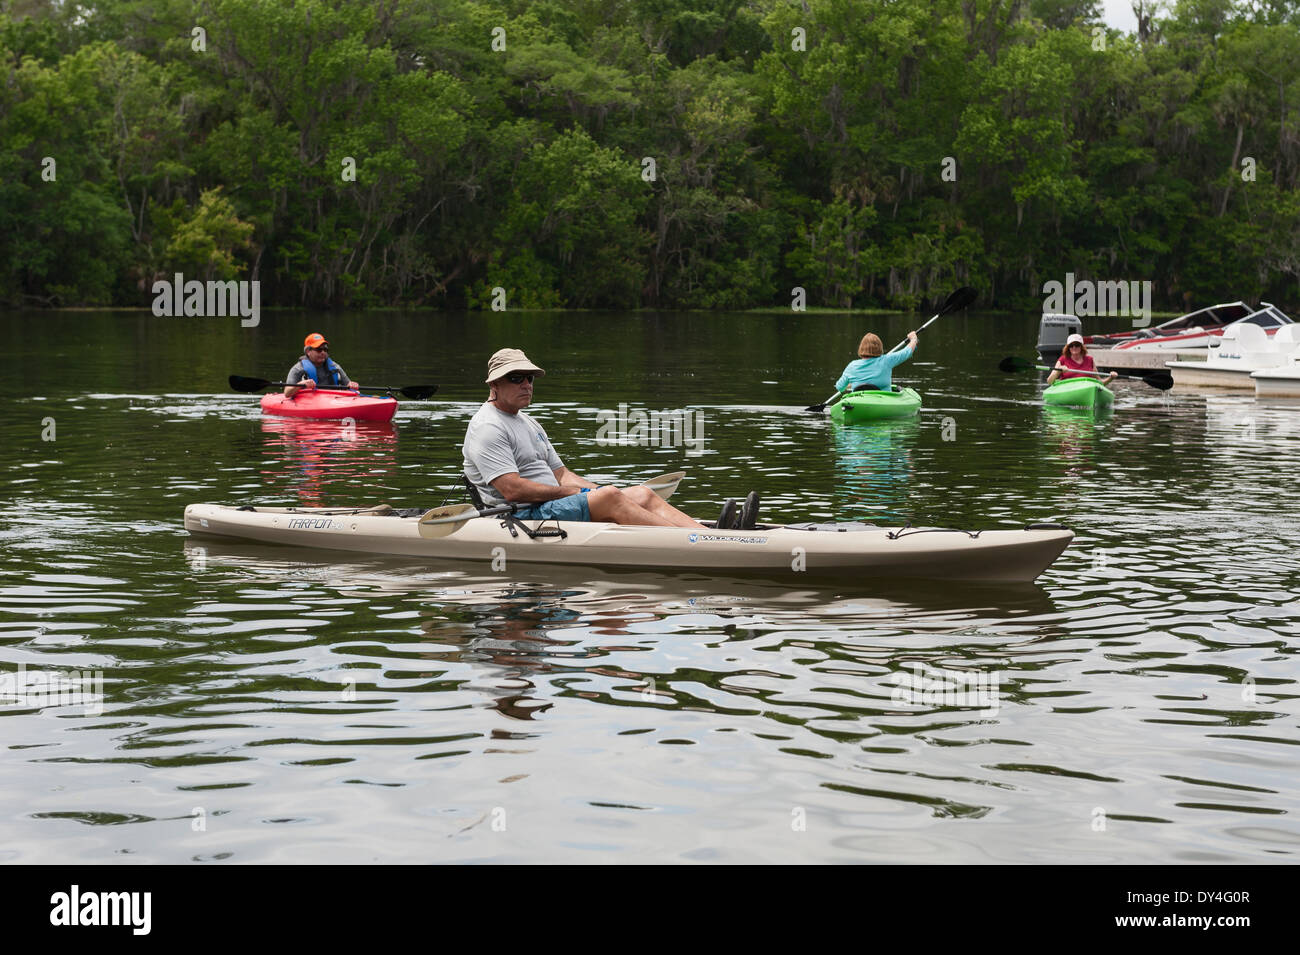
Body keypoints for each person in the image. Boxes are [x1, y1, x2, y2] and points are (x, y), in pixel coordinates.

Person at [463, 348, 703, 527]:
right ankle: (696, 545)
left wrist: (600, 490)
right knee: (610, 498)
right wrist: (575, 494)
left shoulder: (528, 422)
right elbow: (512, 490)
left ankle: (712, 535)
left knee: (641, 493)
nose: (526, 384)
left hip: (549, 505)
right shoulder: (488, 426)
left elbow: (563, 475)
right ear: (494, 383)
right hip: (520, 515)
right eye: (517, 378)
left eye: (530, 378)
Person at [836, 330, 919, 393]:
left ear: (861, 348)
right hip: (883, 402)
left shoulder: (852, 366)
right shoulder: (887, 360)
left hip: (858, 402)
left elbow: (840, 387)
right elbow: (906, 352)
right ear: (880, 347)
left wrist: (851, 384)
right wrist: (913, 339)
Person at [283, 333, 361, 396]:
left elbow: (350, 387)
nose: (323, 352)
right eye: (319, 349)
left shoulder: (335, 367)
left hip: (333, 400)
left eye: (325, 349)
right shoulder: (298, 369)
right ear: (308, 352)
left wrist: (352, 385)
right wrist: (301, 384)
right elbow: (287, 393)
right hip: (309, 401)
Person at [1047, 333, 1117, 385]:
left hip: (1087, 388)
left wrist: (1111, 378)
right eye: (1071, 345)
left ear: (1081, 347)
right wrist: (1058, 371)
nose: (1074, 347)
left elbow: (1100, 382)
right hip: (1068, 388)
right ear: (1068, 348)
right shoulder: (1062, 360)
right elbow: (1049, 381)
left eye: (1077, 345)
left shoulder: (1090, 360)